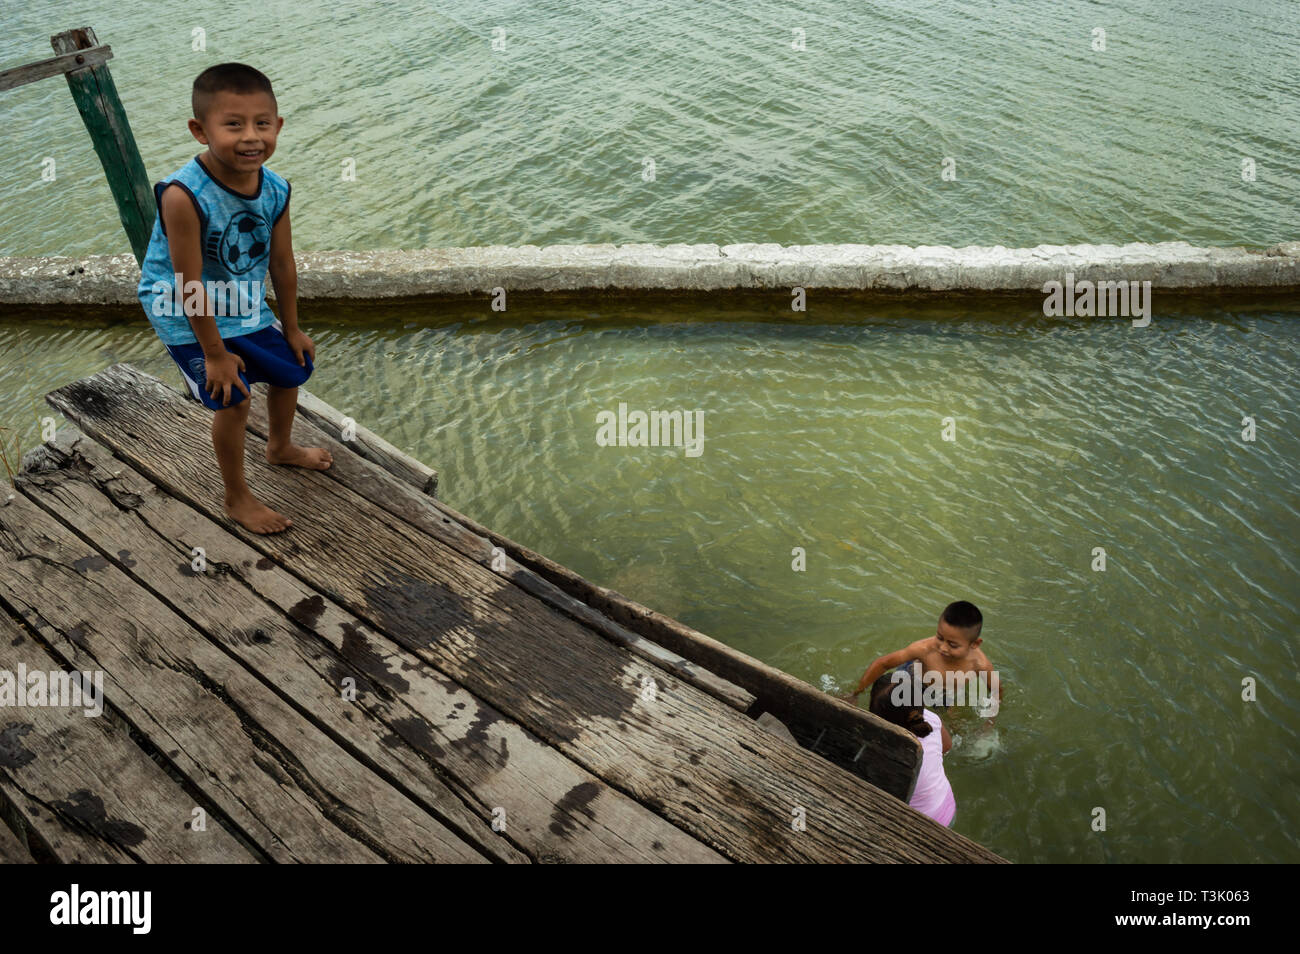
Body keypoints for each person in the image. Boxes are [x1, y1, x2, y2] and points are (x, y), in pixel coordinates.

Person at [136, 63, 331, 534]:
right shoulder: (184, 196)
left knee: (290, 368)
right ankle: (236, 497)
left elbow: (282, 264)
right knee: (233, 398)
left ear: (278, 126)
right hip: (182, 306)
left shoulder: (276, 188)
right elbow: (188, 284)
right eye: (233, 124)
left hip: (238, 297)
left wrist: (291, 327)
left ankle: (280, 446)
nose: (251, 137)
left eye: (262, 124)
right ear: (199, 131)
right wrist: (215, 353)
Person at [846, 600, 997, 713]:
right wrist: (855, 694)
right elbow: (883, 663)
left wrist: (989, 724)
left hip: (944, 693)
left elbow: (996, 692)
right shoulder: (924, 649)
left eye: (953, 645)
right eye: (939, 637)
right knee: (887, 707)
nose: (943, 648)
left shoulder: (980, 665)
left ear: (975, 644)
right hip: (913, 678)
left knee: (954, 724)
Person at [869, 669, 956, 826]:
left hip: (921, 824)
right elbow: (947, 746)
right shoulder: (931, 719)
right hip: (947, 806)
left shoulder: (890, 752)